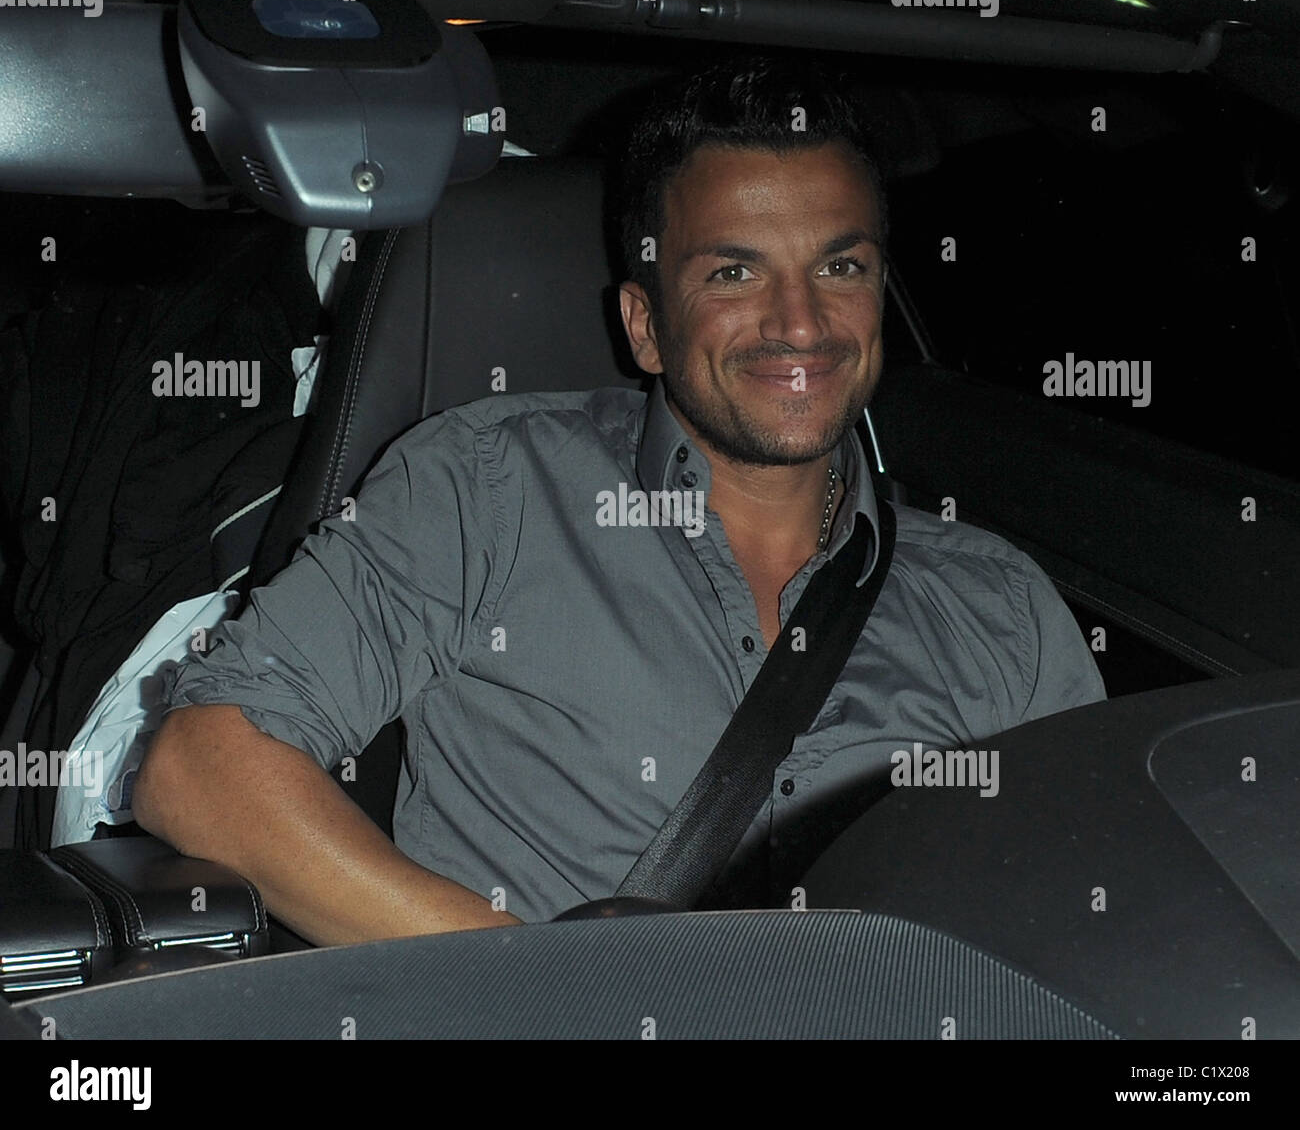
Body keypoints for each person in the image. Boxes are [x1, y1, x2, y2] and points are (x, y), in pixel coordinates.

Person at [134, 58, 1106, 945]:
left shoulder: (1002, 608)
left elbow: (1094, 903)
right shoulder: (490, 489)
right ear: (644, 325)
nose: (800, 322)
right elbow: (202, 761)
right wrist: (541, 992)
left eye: (838, 266)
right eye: (734, 271)